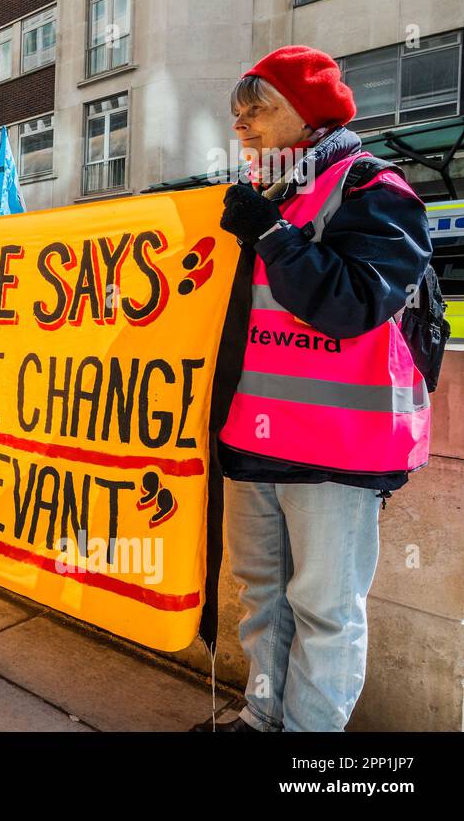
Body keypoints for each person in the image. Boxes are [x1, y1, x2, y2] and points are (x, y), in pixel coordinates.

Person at [199, 46, 433, 732]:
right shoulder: (263, 193)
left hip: (337, 448)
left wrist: (271, 235)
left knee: (326, 611)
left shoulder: (372, 188)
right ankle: (260, 718)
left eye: (258, 109)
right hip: (252, 438)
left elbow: (355, 301)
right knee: (263, 599)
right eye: (236, 113)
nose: (241, 125)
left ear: (310, 112)